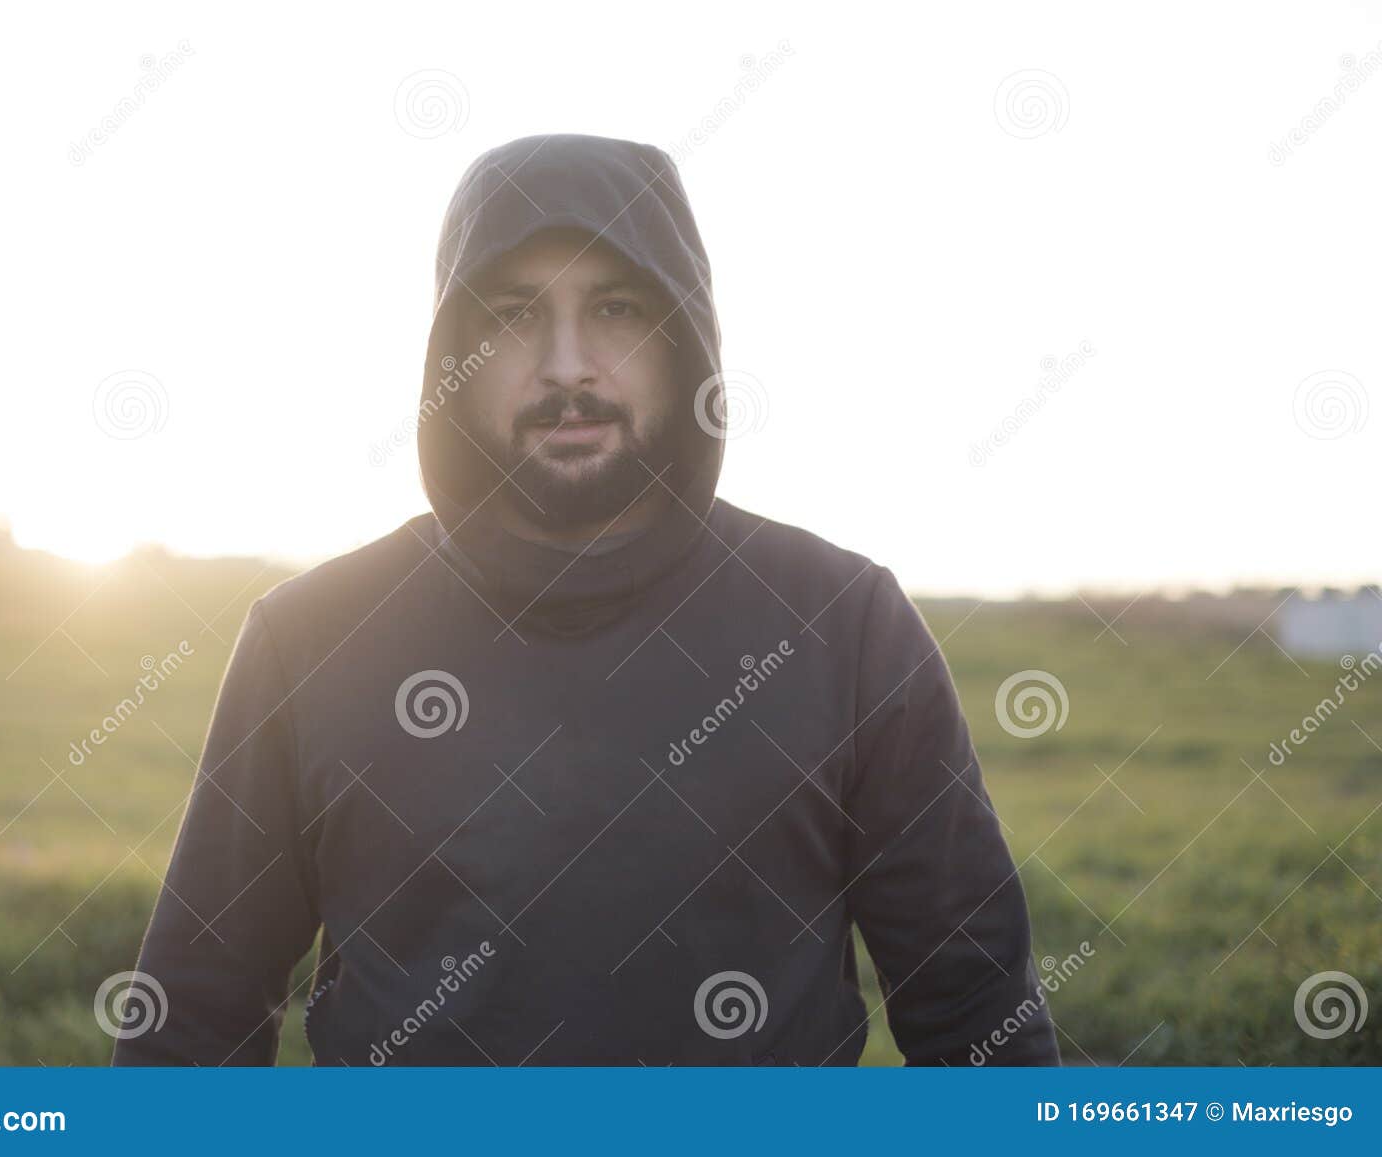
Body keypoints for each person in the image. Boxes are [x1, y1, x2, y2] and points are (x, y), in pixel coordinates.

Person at [112, 133, 1060, 1067]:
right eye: (513, 313)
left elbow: (977, 1019)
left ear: (687, 338)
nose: (567, 365)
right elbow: (192, 1024)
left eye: (617, 308)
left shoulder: (845, 624)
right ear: (453, 350)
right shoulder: (311, 637)